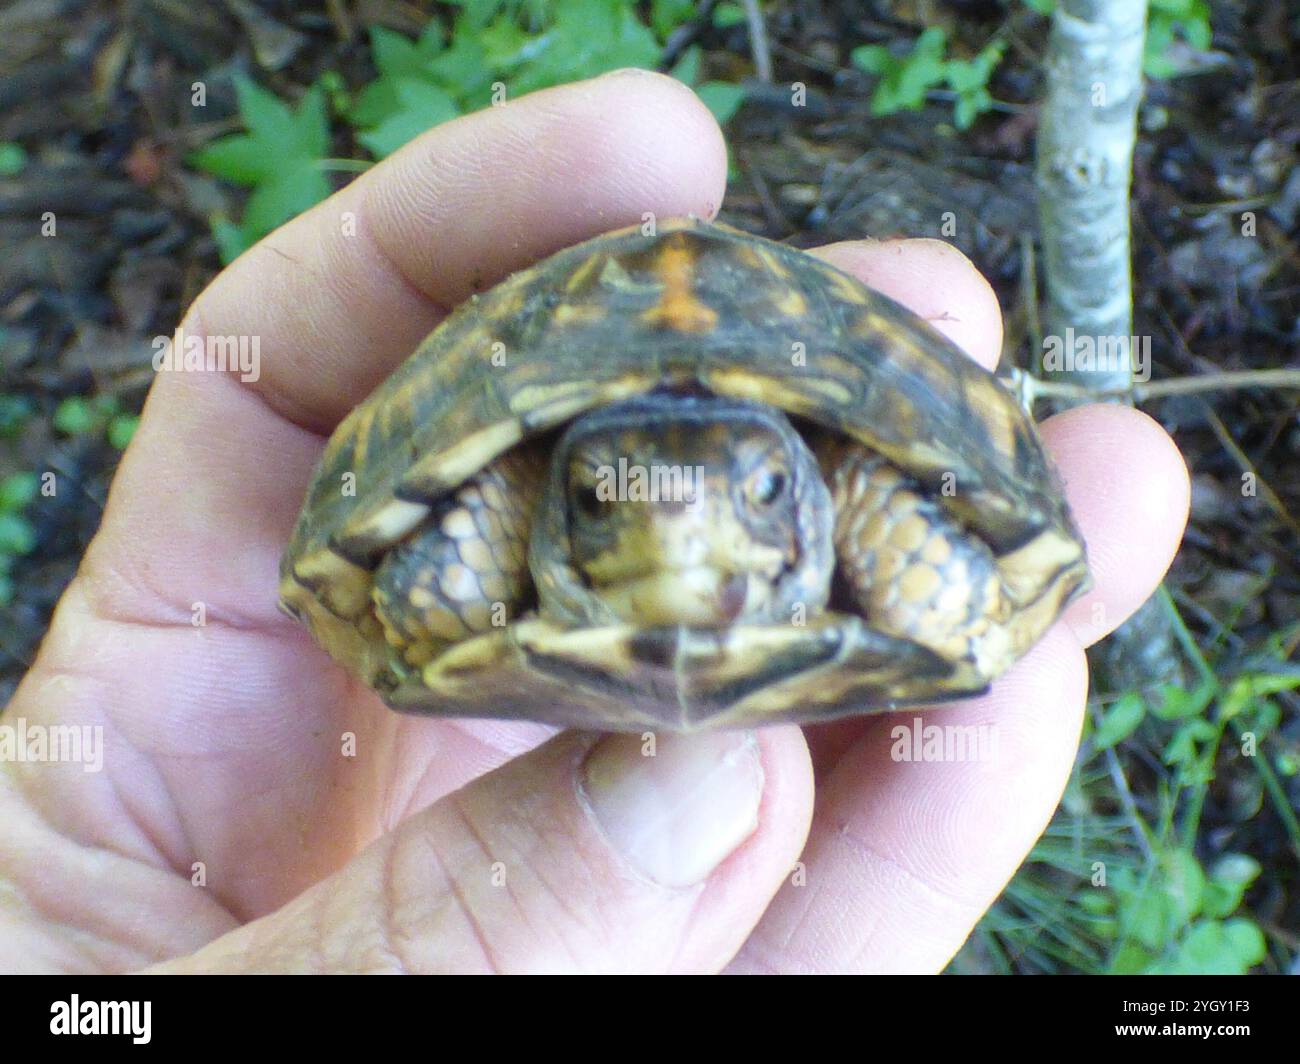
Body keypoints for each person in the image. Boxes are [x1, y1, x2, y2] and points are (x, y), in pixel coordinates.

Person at [0, 71, 1188, 973]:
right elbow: (397, 570)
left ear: (809, 492)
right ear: (554, 494)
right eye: (606, 492)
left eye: (762, 488)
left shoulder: (868, 493)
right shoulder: (491, 512)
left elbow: (955, 553)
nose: (675, 526)